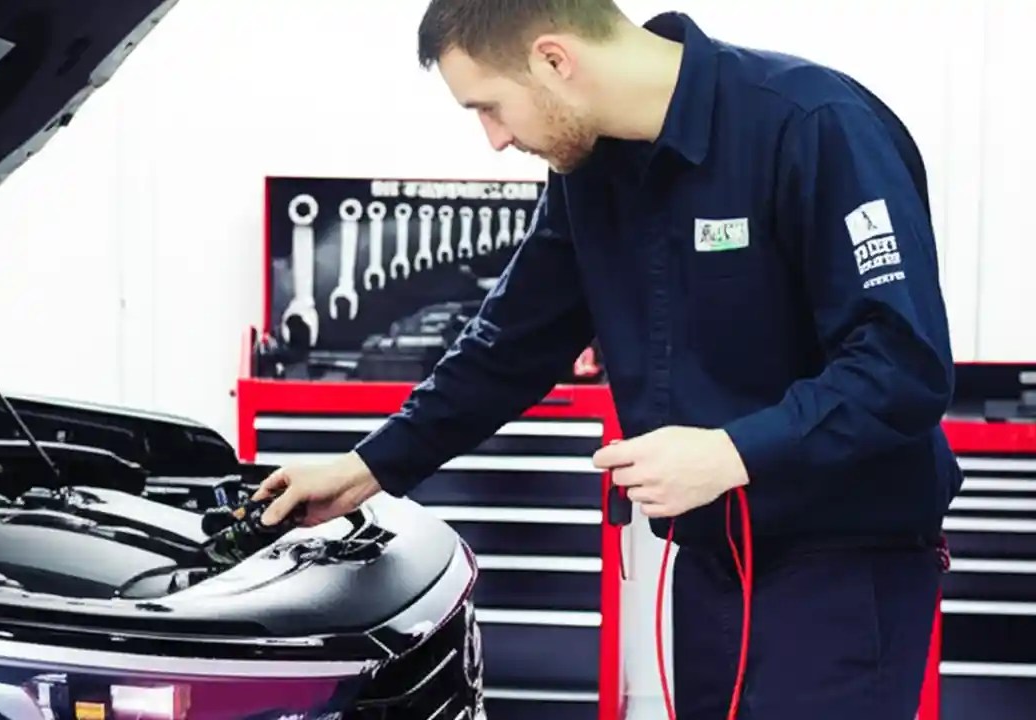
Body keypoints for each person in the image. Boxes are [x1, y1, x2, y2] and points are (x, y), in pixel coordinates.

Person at [253, 3, 962, 718]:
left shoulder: (812, 124)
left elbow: (902, 363)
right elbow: (507, 346)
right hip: (717, 567)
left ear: (554, 61)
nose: (495, 139)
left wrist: (730, 452)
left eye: (491, 107)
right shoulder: (591, 172)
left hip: (845, 567)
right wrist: (366, 469)